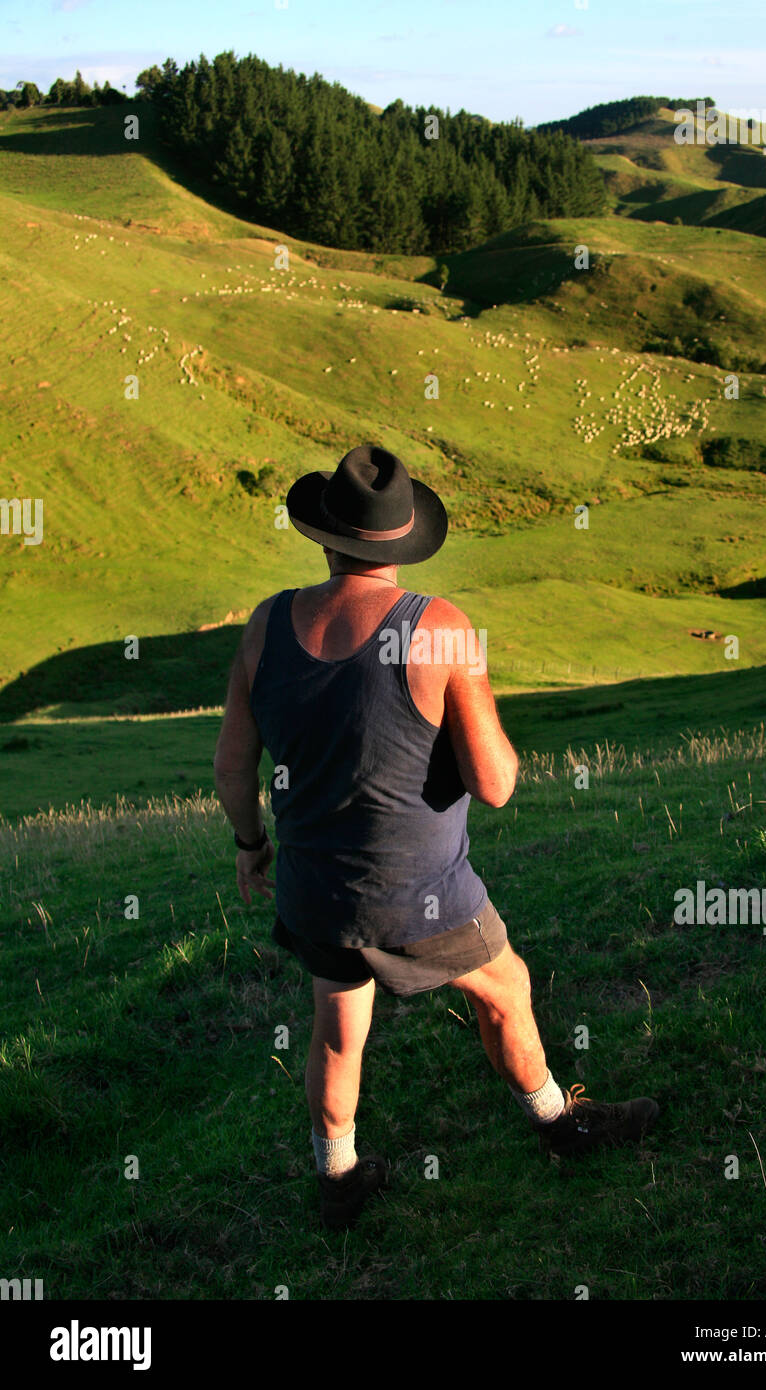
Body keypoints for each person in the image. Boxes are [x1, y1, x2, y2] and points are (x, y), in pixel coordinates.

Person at [213, 445, 659, 1230]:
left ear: (326, 537)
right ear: (404, 542)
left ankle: (339, 1177)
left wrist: (252, 847)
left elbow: (231, 764)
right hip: (419, 892)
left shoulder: (266, 624)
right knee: (507, 988)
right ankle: (561, 1123)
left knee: (338, 1025)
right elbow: (494, 782)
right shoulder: (439, 627)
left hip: (317, 890)